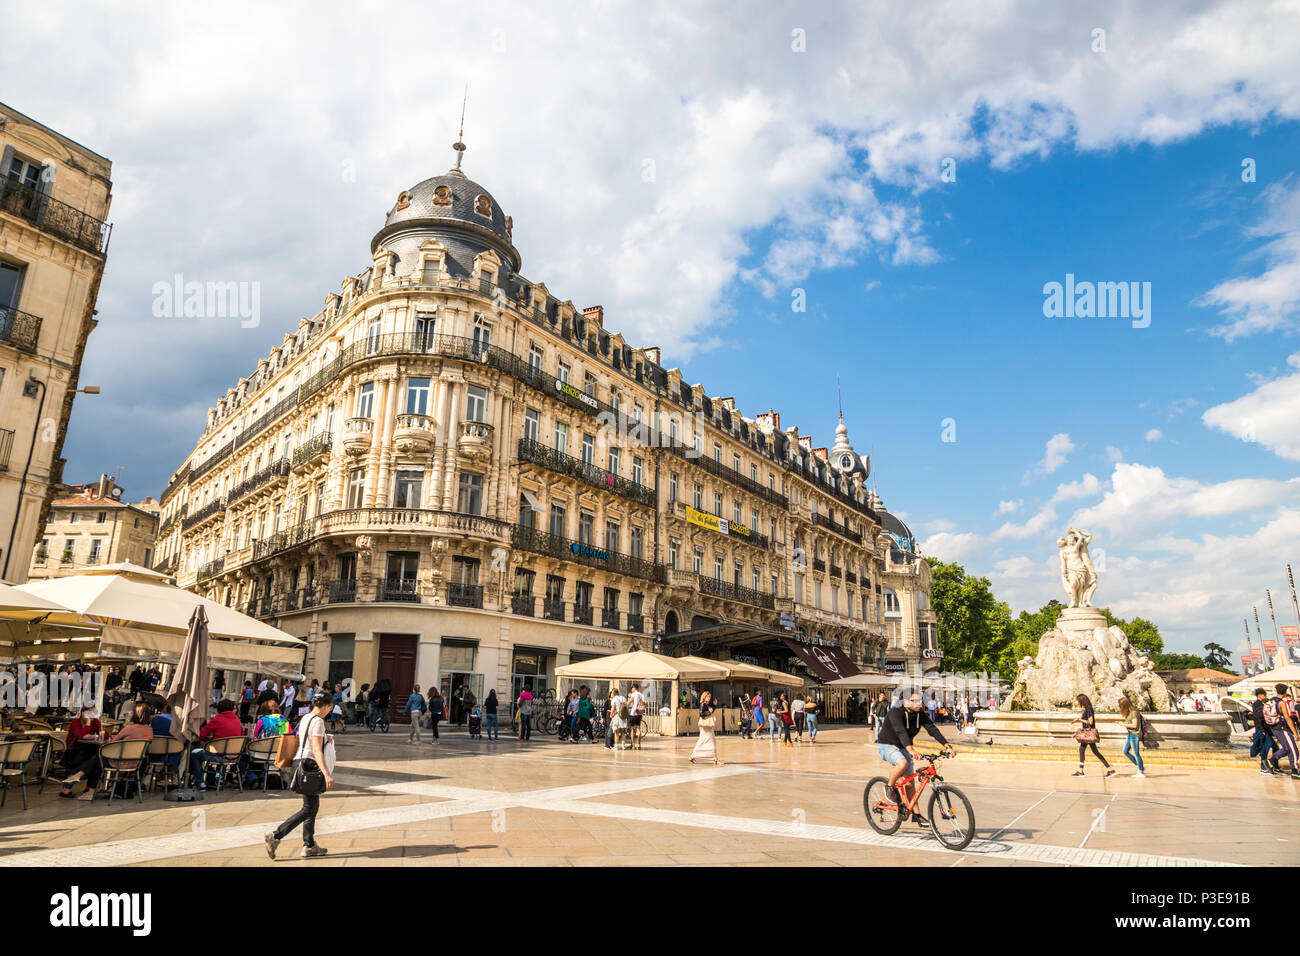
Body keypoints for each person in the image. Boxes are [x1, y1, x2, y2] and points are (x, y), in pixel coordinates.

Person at [265, 691, 335, 860]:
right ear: (326, 706)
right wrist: (326, 773)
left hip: (300, 762)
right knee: (308, 808)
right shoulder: (318, 721)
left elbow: (305, 741)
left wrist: (326, 739)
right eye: (329, 709)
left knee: (312, 805)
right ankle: (276, 835)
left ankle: (309, 845)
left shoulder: (306, 718)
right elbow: (316, 750)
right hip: (310, 765)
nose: (329, 712)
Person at [877, 691, 954, 824]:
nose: (919, 703)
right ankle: (889, 787)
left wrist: (947, 745)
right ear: (906, 701)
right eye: (915, 701)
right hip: (887, 744)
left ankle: (916, 814)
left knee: (909, 782)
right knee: (902, 764)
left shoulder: (919, 714)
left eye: (920, 700)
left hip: (903, 746)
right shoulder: (896, 711)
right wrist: (911, 749)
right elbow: (900, 731)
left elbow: (932, 729)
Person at [61, 703, 154, 802]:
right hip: (135, 763)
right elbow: (86, 736)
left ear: (134, 714)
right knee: (98, 758)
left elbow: (113, 740)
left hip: (120, 761)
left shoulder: (129, 728)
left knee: (99, 759)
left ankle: (81, 778)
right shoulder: (150, 731)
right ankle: (89, 790)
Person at [190, 699, 245, 790]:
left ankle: (200, 783)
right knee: (221, 749)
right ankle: (219, 778)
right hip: (234, 755)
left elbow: (202, 734)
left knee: (195, 753)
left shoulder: (217, 719)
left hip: (219, 755)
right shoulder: (237, 720)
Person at [1071, 693, 1114, 778]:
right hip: (1087, 734)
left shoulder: (1089, 709)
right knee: (1084, 750)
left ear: (1082, 701)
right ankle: (1081, 771)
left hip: (1089, 734)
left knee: (1093, 752)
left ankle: (1110, 769)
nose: (1078, 702)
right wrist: (1077, 733)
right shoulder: (1088, 709)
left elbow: (1090, 722)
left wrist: (1079, 719)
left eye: (1079, 701)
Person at [1268, 684, 1300, 777]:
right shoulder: (1282, 703)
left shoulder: (1271, 701)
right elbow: (1287, 718)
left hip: (1275, 728)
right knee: (1293, 750)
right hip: (1283, 728)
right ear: (1285, 692)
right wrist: (1295, 733)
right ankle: (1295, 771)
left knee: (1287, 748)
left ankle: (1271, 761)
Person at [1251, 687, 1282, 774]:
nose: (1265, 696)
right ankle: (1264, 768)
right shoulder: (1257, 704)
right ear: (1259, 696)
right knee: (1265, 749)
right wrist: (1262, 730)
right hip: (1262, 730)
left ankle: (1275, 766)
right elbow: (1259, 717)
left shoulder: (1263, 703)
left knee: (1275, 747)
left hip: (1266, 729)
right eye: (1264, 694)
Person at [689, 690, 723, 766]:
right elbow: (701, 714)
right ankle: (715, 760)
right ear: (704, 697)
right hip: (706, 726)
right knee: (711, 741)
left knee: (702, 741)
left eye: (710, 697)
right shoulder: (703, 704)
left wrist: (714, 706)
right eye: (708, 696)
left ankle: (692, 756)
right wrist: (709, 712)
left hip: (706, 726)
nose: (709, 698)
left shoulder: (705, 705)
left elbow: (709, 712)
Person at [1117, 697, 1145, 778]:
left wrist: (1123, 724)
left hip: (1134, 734)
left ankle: (1140, 770)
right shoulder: (1130, 712)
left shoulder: (1133, 712)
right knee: (1125, 751)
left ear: (1124, 705)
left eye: (1120, 705)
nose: (1120, 707)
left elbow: (1134, 725)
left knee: (1136, 753)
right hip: (1130, 734)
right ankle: (1140, 766)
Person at [628, 682, 647, 749]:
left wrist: (626, 705)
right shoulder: (642, 695)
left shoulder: (634, 694)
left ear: (634, 688)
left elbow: (629, 702)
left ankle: (633, 744)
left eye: (631, 688)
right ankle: (639, 744)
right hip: (639, 713)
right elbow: (645, 703)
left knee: (632, 729)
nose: (631, 690)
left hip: (633, 713)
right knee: (638, 728)